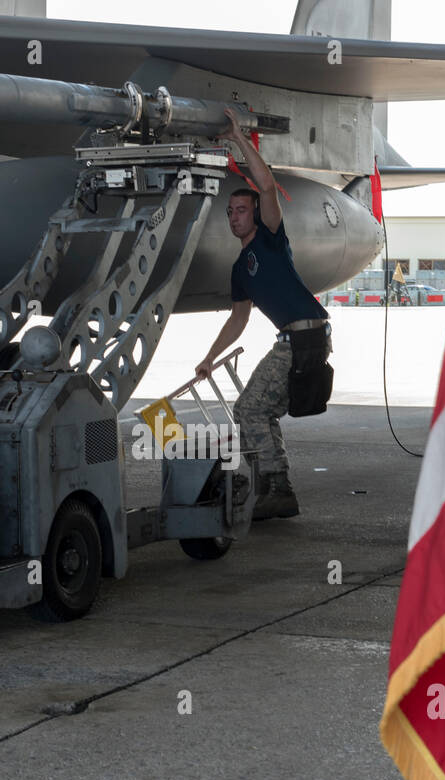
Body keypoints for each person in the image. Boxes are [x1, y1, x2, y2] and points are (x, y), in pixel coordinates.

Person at [195, 109, 332, 520]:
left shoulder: (271, 240)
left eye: (241, 209)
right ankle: (278, 488)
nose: (235, 216)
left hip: (303, 336)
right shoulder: (241, 270)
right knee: (261, 410)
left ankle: (275, 488)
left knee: (249, 410)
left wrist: (238, 138)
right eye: (231, 211)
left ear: (255, 214)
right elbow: (238, 320)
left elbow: (268, 186)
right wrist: (208, 357)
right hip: (298, 338)